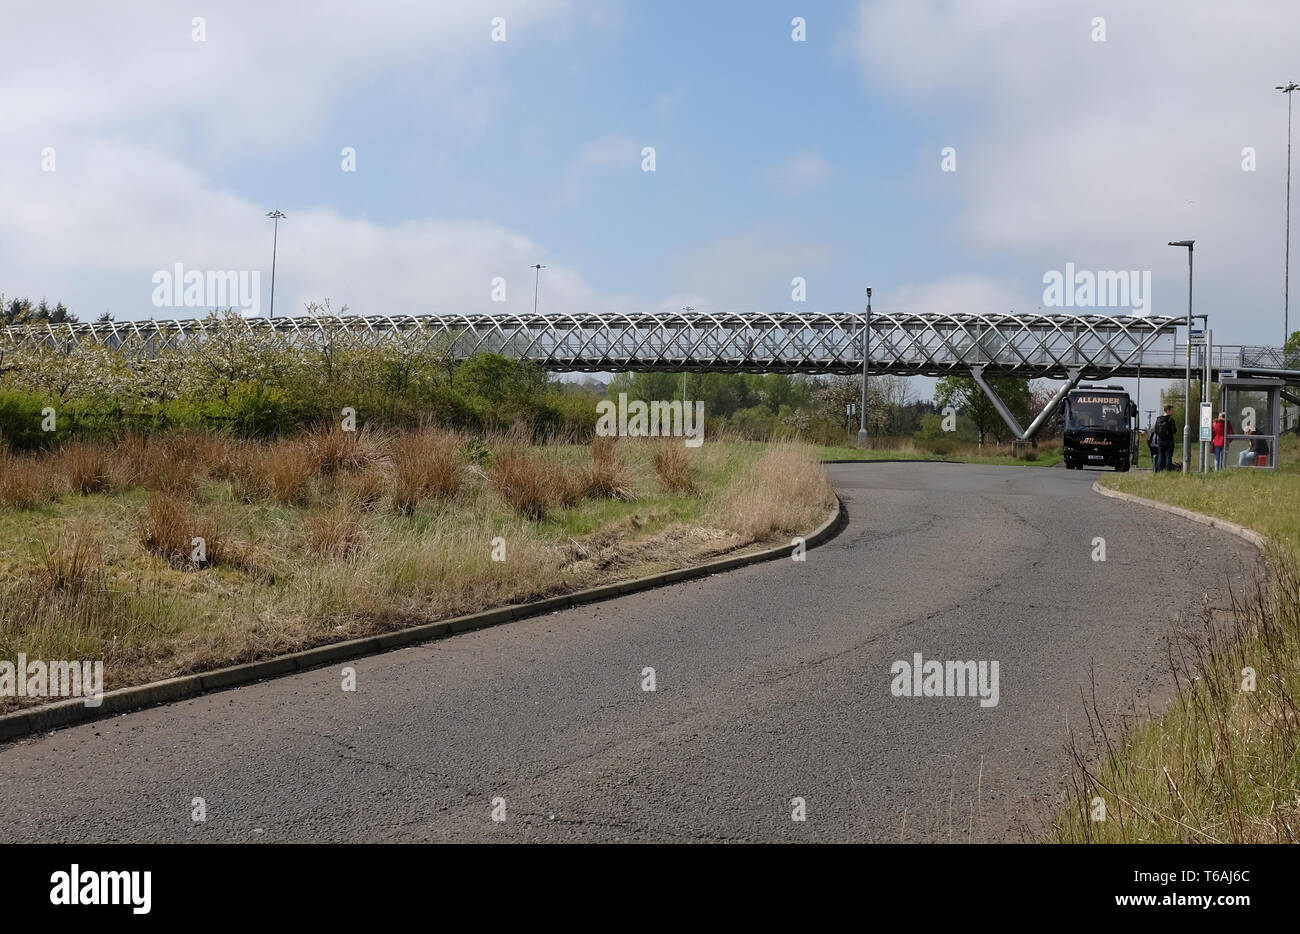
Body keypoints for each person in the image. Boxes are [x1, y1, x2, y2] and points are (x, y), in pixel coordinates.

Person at [1154, 404, 1176, 473]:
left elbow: (1155, 430)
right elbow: (1174, 430)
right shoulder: (1170, 419)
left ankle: (1158, 471)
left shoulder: (1158, 419)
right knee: (1168, 456)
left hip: (1160, 441)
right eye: (1172, 410)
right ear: (1168, 410)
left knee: (1160, 456)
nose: (1173, 412)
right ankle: (1168, 471)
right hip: (1169, 441)